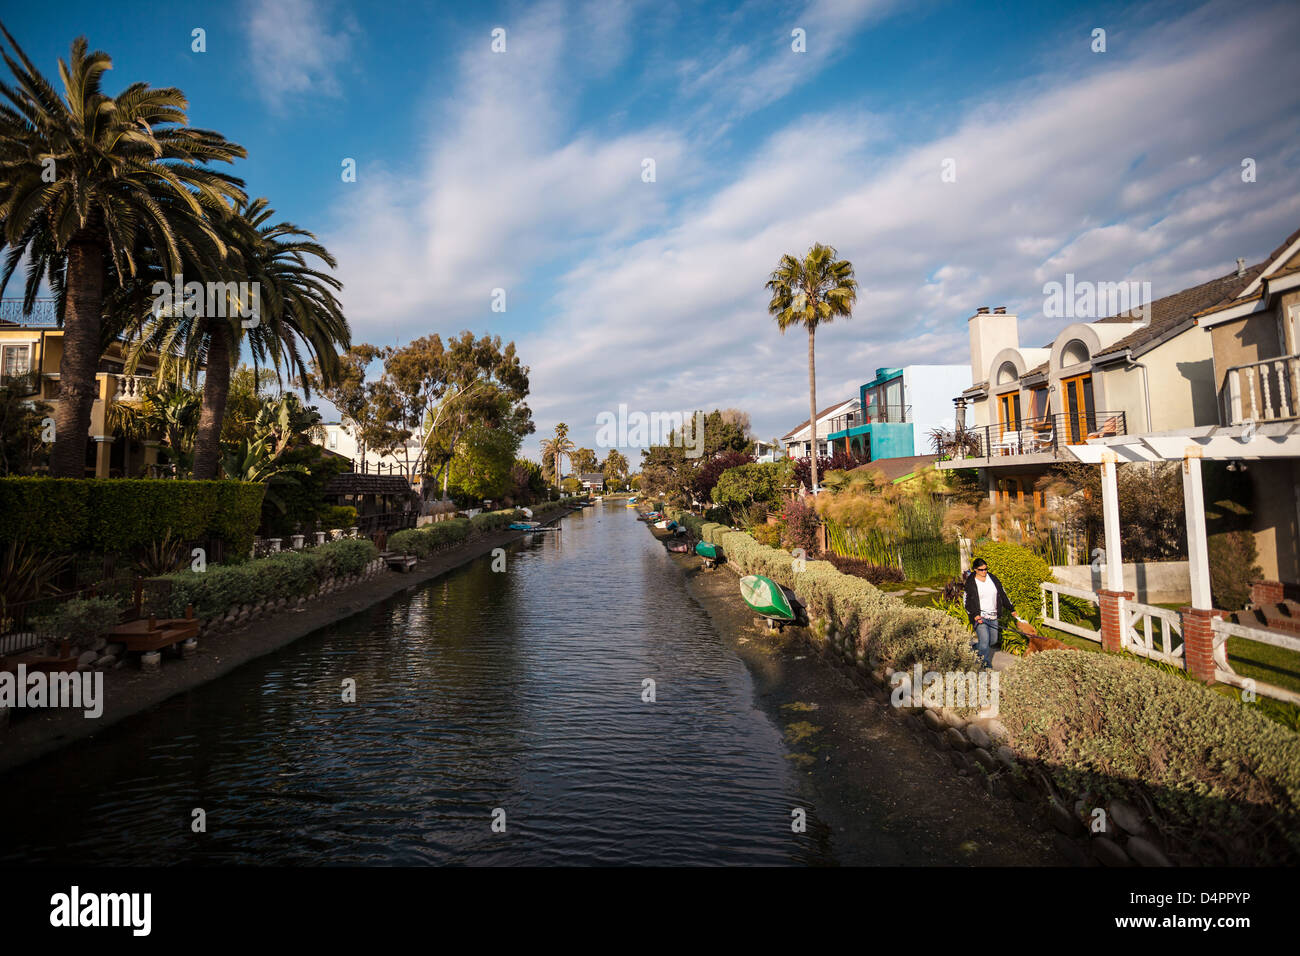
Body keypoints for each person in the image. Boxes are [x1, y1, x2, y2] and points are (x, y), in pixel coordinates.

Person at [962, 558, 1026, 668]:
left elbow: (1003, 594)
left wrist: (1011, 609)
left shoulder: (993, 579)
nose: (984, 571)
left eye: (986, 569)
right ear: (975, 570)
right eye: (981, 570)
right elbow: (967, 602)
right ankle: (985, 666)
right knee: (985, 641)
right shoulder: (971, 583)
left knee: (992, 640)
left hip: (993, 616)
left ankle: (974, 648)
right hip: (980, 617)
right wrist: (975, 615)